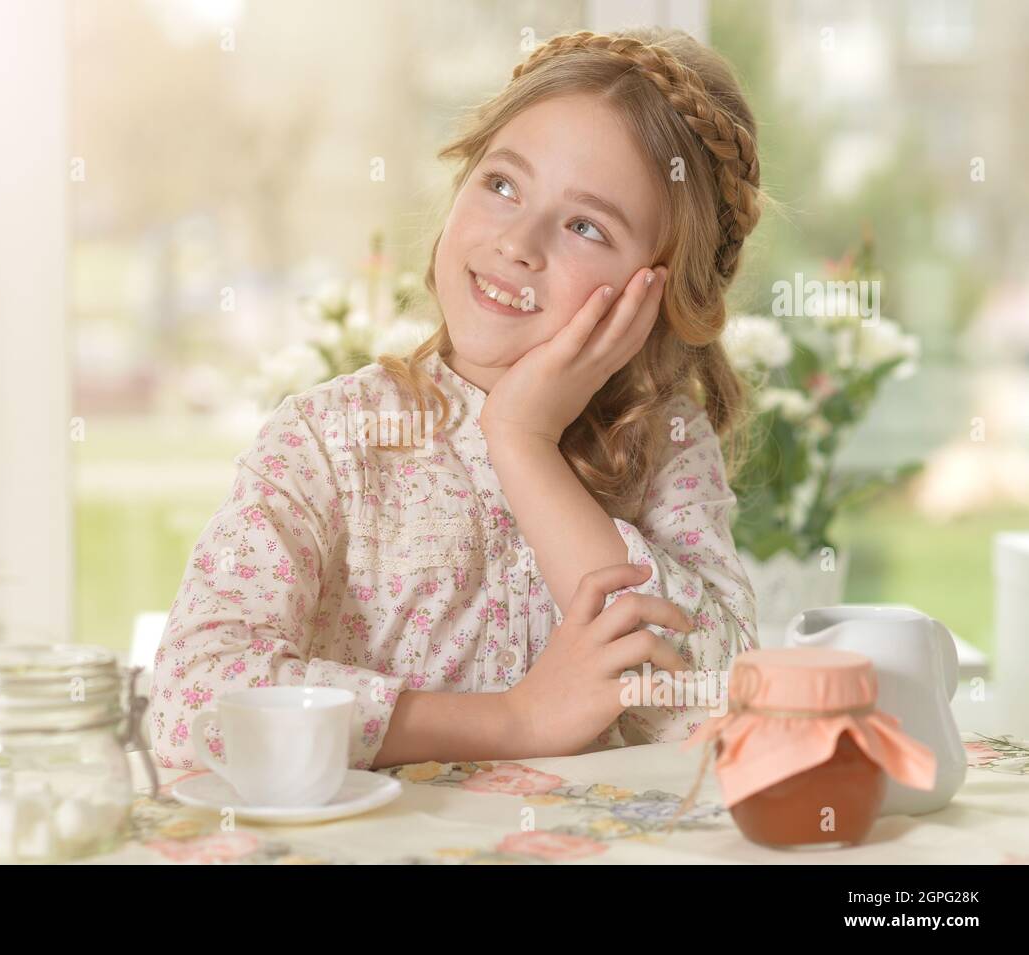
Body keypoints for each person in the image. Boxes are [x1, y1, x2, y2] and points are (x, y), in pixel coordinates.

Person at [151, 27, 763, 772]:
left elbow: (722, 700)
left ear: (661, 294)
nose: (518, 241)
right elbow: (191, 701)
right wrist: (511, 720)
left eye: (585, 226)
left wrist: (524, 442)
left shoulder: (666, 445)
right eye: (502, 184)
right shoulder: (327, 440)